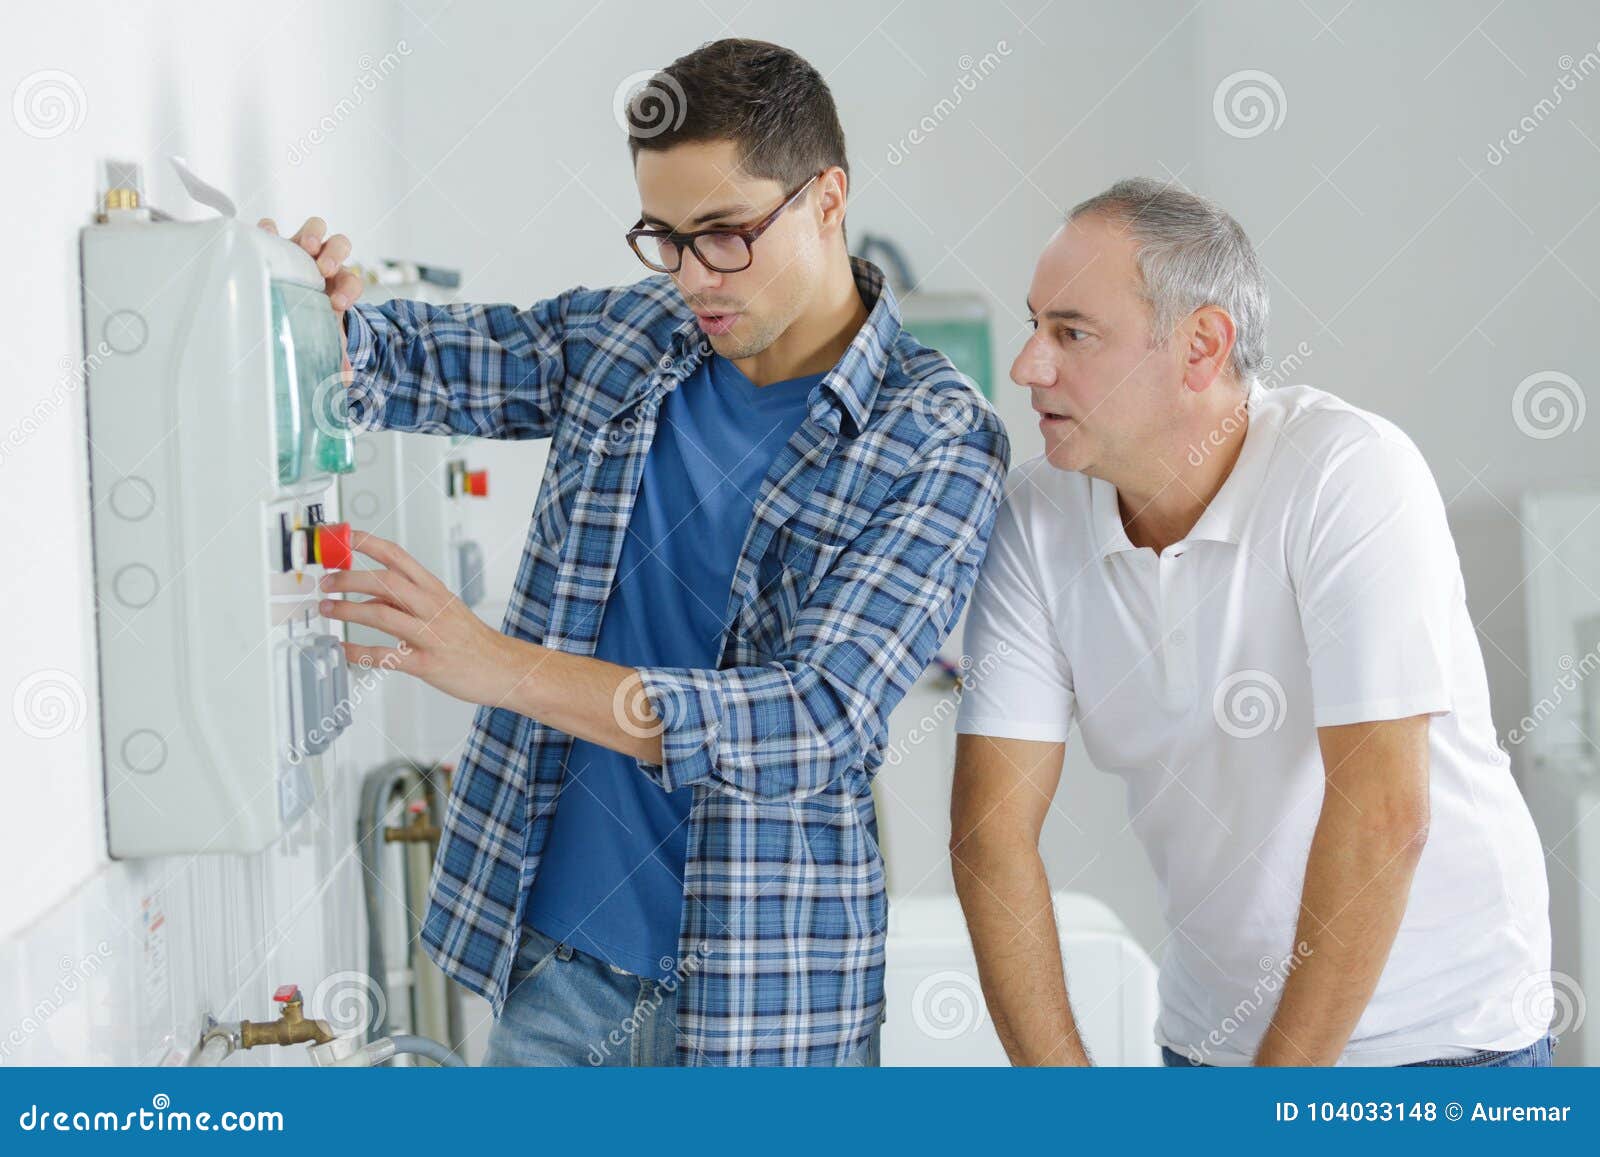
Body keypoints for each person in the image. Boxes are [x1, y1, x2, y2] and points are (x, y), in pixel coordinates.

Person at [261, 38, 1008, 1067]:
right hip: (560, 972)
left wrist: (501, 667)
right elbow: (394, 359)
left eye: (725, 235)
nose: (693, 276)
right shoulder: (629, 341)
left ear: (827, 198)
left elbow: (817, 719)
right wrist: (305, 300)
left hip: (768, 1010)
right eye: (665, 237)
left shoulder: (932, 436)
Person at [950, 178, 1553, 1067]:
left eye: (1071, 333)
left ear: (1200, 346)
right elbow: (989, 837)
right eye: (1036, 324)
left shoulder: (1347, 473)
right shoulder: (1036, 518)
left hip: (1445, 1046)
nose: (1028, 366)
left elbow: (1384, 812)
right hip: (1211, 1044)